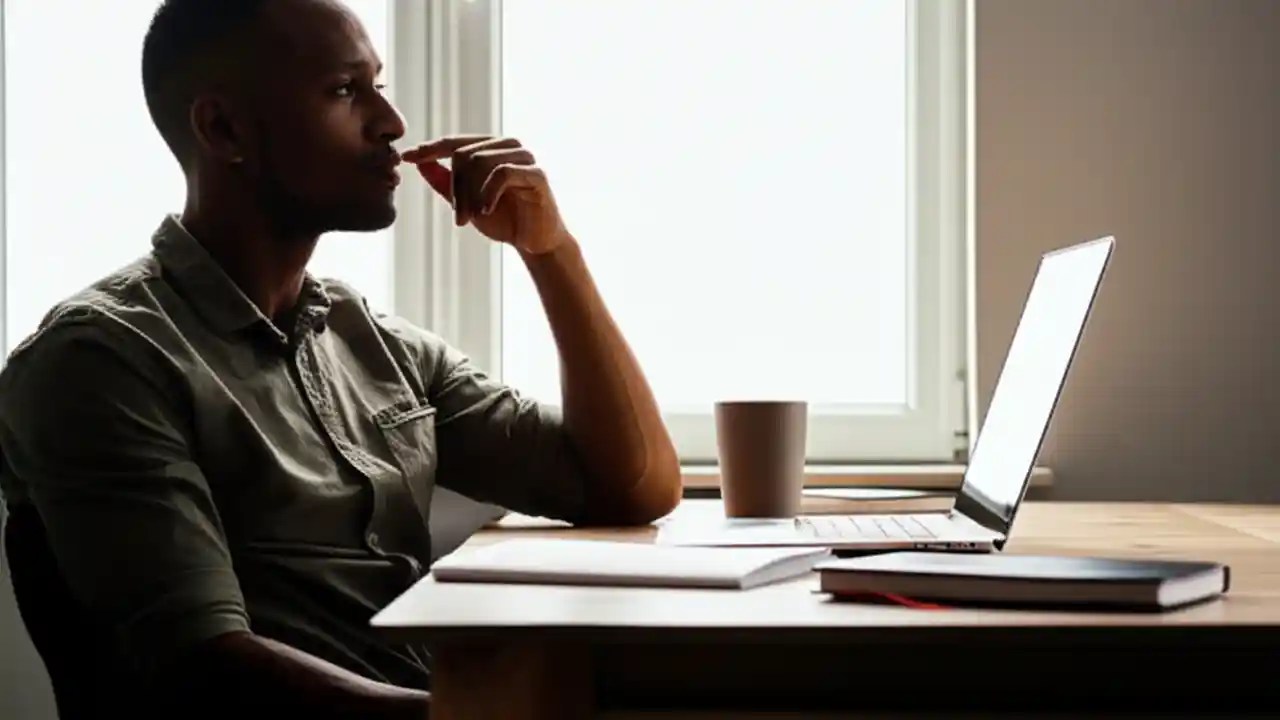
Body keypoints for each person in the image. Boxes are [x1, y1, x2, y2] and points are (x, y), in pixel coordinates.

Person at [0, 0, 682, 716]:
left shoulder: (369, 341)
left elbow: (632, 488)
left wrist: (551, 253)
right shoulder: (99, 361)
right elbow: (200, 666)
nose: (391, 124)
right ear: (223, 128)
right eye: (345, 90)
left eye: (377, 84)